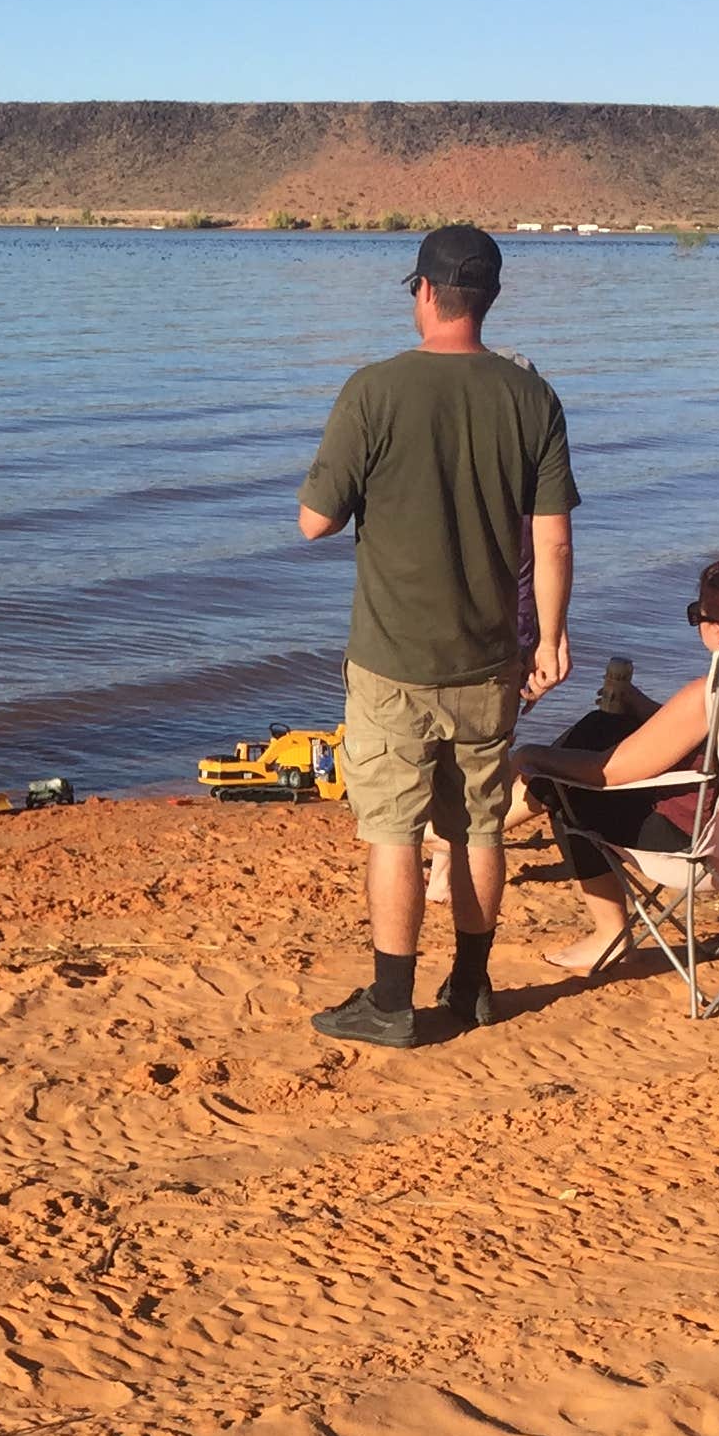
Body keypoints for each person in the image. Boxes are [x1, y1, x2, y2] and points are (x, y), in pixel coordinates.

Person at [296, 224, 577, 1048]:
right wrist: (552, 635)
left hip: (391, 659)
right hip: (491, 657)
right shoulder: (533, 397)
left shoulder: (372, 390)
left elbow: (315, 522)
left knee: (394, 830)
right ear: (488, 298)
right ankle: (474, 986)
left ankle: (390, 1001)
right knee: (478, 827)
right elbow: (553, 539)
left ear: (423, 292)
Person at [516, 553, 719, 976]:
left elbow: (610, 773)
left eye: (697, 614)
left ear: (716, 627)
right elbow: (715, 737)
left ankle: (610, 934)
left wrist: (530, 755)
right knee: (603, 724)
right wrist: (640, 708)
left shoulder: (713, 693)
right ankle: (467, 829)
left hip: (703, 841)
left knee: (561, 785)